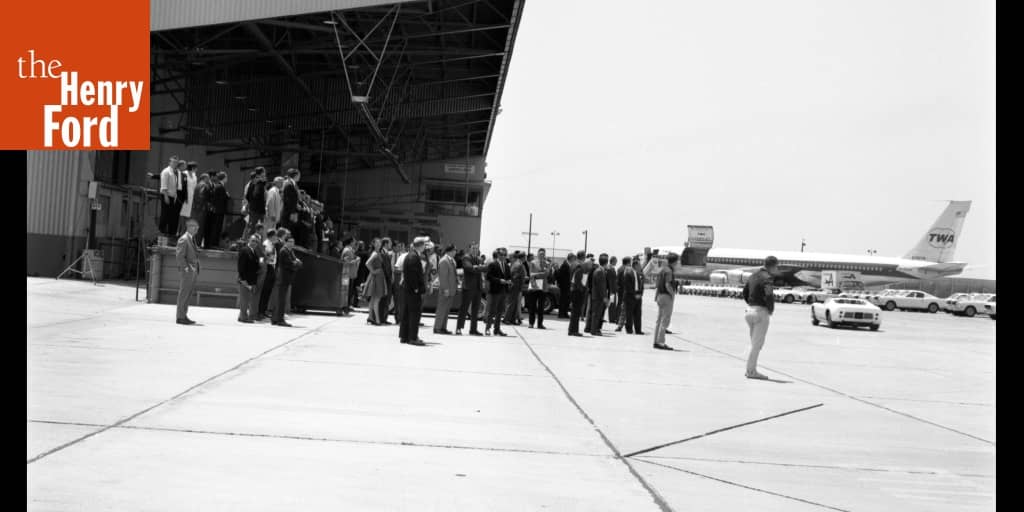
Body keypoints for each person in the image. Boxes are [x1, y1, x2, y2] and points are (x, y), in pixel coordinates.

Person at [741, 256, 779, 379]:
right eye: (776, 267)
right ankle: (751, 371)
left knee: (754, 344)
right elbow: (769, 294)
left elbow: (745, 292)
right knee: (757, 345)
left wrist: (751, 303)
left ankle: (751, 369)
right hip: (760, 312)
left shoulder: (753, 276)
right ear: (772, 266)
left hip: (749, 311)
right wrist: (770, 309)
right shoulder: (767, 278)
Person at [400, 237, 428, 346]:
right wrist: (416, 288)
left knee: (407, 313)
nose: (425, 247)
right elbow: (412, 275)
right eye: (424, 245)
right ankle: (412, 337)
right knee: (414, 314)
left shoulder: (412, 255)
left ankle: (405, 336)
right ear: (420, 246)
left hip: (409, 290)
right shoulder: (413, 256)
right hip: (413, 290)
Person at [272, 233, 302, 327]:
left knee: (281, 299)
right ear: (286, 242)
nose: (292, 243)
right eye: (290, 242)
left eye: (293, 242)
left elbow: (296, 260)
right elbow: (291, 264)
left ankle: (275, 319)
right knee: (281, 300)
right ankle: (280, 320)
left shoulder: (290, 251)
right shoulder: (284, 251)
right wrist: (296, 263)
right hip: (283, 278)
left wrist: (296, 262)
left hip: (286, 278)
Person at [456, 242, 486, 336]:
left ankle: (473, 329)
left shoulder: (479, 258)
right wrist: (478, 267)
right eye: (473, 248)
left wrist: (477, 267)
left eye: (476, 248)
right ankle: (459, 328)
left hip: (478, 287)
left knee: (475, 310)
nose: (475, 250)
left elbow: (485, 268)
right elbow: (469, 268)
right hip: (468, 287)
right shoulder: (466, 257)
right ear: (469, 248)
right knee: (464, 308)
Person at [175, 218, 201, 325]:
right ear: (189, 227)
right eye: (194, 226)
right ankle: (180, 317)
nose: (196, 229)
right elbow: (180, 256)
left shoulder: (191, 238)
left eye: (197, 227)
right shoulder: (184, 239)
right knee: (184, 294)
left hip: (192, 271)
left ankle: (183, 315)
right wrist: (186, 269)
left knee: (188, 294)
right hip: (188, 271)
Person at [653, 252, 680, 350]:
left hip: (660, 296)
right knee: (665, 321)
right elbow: (667, 285)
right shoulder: (669, 271)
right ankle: (660, 342)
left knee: (659, 321)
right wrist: (672, 295)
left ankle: (655, 341)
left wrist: (656, 297)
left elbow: (658, 284)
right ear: (675, 262)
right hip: (666, 297)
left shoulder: (662, 270)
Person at [484, 248, 512, 336]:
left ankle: (497, 329)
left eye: (504, 255)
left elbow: (509, 276)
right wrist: (499, 280)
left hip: (504, 291)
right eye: (501, 255)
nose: (503, 256)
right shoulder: (493, 264)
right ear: (498, 255)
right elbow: (488, 276)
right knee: (492, 311)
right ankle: (488, 328)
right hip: (495, 291)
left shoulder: (507, 265)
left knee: (500, 311)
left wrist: (509, 281)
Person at [236, 234, 262, 323]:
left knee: (247, 299)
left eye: (256, 242)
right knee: (244, 299)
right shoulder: (244, 250)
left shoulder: (254, 251)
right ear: (248, 241)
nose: (254, 243)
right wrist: (243, 279)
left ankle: (241, 316)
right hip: (245, 280)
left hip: (251, 280)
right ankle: (243, 317)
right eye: (253, 241)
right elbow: (241, 266)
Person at [434, 244, 458, 335]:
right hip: (446, 290)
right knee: (441, 309)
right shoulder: (444, 261)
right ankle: (437, 327)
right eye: (454, 250)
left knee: (446, 310)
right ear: (450, 251)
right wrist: (446, 289)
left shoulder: (451, 260)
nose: (455, 252)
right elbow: (443, 277)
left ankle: (443, 327)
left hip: (451, 290)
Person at [363, 238, 387, 325]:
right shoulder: (375, 253)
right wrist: (373, 271)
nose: (379, 244)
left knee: (373, 299)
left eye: (379, 243)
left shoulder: (377, 253)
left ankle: (370, 317)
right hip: (376, 277)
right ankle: (377, 319)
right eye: (377, 243)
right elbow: (367, 263)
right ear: (374, 244)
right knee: (377, 299)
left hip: (378, 277)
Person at [619, 256, 645, 334]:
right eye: (639, 265)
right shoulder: (628, 273)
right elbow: (627, 286)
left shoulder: (640, 274)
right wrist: (634, 294)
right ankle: (629, 329)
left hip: (638, 297)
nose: (641, 267)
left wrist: (640, 294)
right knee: (629, 314)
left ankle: (638, 330)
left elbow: (641, 286)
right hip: (630, 297)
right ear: (636, 265)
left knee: (638, 314)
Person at [526, 249, 550, 329]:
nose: (542, 255)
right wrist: (541, 274)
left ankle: (540, 324)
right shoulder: (533, 263)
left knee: (541, 307)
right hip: (534, 286)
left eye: (543, 254)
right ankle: (531, 323)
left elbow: (547, 274)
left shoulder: (547, 264)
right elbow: (531, 274)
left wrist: (544, 272)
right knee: (532, 306)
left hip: (543, 287)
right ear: (537, 254)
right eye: (540, 254)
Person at [257, 229, 279, 319]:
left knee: (268, 291)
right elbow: (263, 257)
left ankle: (264, 310)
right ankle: (260, 311)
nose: (276, 237)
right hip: (268, 267)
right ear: (272, 236)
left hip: (272, 267)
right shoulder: (266, 244)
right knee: (265, 291)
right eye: (275, 235)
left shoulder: (272, 244)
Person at [204, 171, 229, 249]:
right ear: (224, 178)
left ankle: (213, 244)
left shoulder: (218, 186)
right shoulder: (220, 187)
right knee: (216, 227)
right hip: (218, 211)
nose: (227, 179)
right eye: (226, 177)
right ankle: (214, 244)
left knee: (216, 227)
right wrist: (226, 196)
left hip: (217, 210)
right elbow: (215, 199)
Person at [159, 156, 181, 239]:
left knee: (171, 216)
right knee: (164, 215)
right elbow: (164, 185)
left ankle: (169, 235)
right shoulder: (166, 171)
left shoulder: (175, 173)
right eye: (173, 162)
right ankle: (161, 233)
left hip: (172, 197)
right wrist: (165, 196)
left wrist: (175, 197)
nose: (175, 164)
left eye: (176, 162)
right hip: (166, 195)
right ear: (170, 162)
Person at [588, 254, 610, 336]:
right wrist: (604, 297)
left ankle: (595, 329)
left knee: (597, 314)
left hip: (597, 296)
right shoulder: (600, 271)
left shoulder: (599, 270)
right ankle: (594, 330)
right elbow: (601, 287)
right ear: (606, 262)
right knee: (596, 314)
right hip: (598, 297)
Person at [244, 167, 267, 240]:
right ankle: (251, 246)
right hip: (258, 210)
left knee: (252, 227)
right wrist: (258, 203)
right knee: (255, 229)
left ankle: (251, 244)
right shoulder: (259, 182)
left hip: (253, 208)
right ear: (262, 173)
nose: (265, 174)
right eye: (264, 172)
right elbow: (256, 195)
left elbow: (247, 196)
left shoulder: (252, 182)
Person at [503, 251, 526, 326]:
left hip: (516, 286)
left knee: (515, 304)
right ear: (523, 257)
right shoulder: (518, 265)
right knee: (511, 303)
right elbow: (515, 277)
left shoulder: (517, 264)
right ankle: (506, 319)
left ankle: (512, 319)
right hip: (515, 286)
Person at [176, 161, 198, 237]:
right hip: (184, 197)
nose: (197, 169)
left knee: (188, 216)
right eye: (196, 168)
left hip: (191, 198)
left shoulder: (195, 176)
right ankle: (179, 232)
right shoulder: (184, 173)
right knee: (181, 215)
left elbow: (195, 188)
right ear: (192, 168)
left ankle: (183, 233)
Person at [567, 251, 586, 336]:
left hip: (573, 290)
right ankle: (574, 331)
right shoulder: (579, 266)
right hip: (577, 291)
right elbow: (577, 280)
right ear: (583, 257)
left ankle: (572, 330)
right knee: (576, 312)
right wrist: (582, 289)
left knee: (574, 312)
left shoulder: (573, 264)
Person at [377, 238, 393, 324]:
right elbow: (386, 267)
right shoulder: (383, 253)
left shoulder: (385, 252)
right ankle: (382, 317)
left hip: (387, 278)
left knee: (387, 299)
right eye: (390, 243)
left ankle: (384, 317)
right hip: (385, 279)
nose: (391, 244)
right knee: (385, 299)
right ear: (386, 243)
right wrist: (389, 278)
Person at [555, 253, 572, 318]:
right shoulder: (565, 265)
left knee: (567, 300)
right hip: (564, 286)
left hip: (567, 286)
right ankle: (561, 313)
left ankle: (565, 313)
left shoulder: (568, 265)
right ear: (571, 258)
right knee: (563, 300)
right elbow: (560, 276)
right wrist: (560, 284)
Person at [605, 255, 619, 329]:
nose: (616, 262)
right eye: (616, 261)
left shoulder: (611, 268)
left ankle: (612, 318)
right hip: (612, 290)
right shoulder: (610, 268)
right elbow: (610, 280)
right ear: (613, 261)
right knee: (612, 304)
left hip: (613, 289)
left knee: (612, 304)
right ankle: (612, 319)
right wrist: (611, 290)